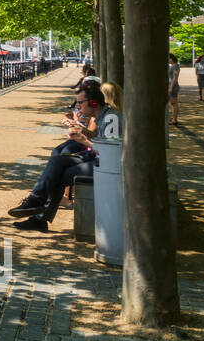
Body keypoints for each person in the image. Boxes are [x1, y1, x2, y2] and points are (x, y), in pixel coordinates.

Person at [9, 83, 121, 231]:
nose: (78, 107)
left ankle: (37, 212)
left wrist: (83, 140)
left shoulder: (111, 117)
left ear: (93, 103)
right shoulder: (103, 115)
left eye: (80, 103)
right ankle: (36, 203)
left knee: (60, 173)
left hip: (107, 166)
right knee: (57, 160)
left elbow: (110, 154)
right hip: (97, 160)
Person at [167, 54, 180, 123]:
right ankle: (173, 118)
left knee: (174, 103)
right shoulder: (173, 66)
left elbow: (175, 77)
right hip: (171, 85)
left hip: (173, 86)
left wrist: (171, 87)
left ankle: (175, 119)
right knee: (172, 103)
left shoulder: (175, 66)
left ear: (171, 59)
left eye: (168, 59)